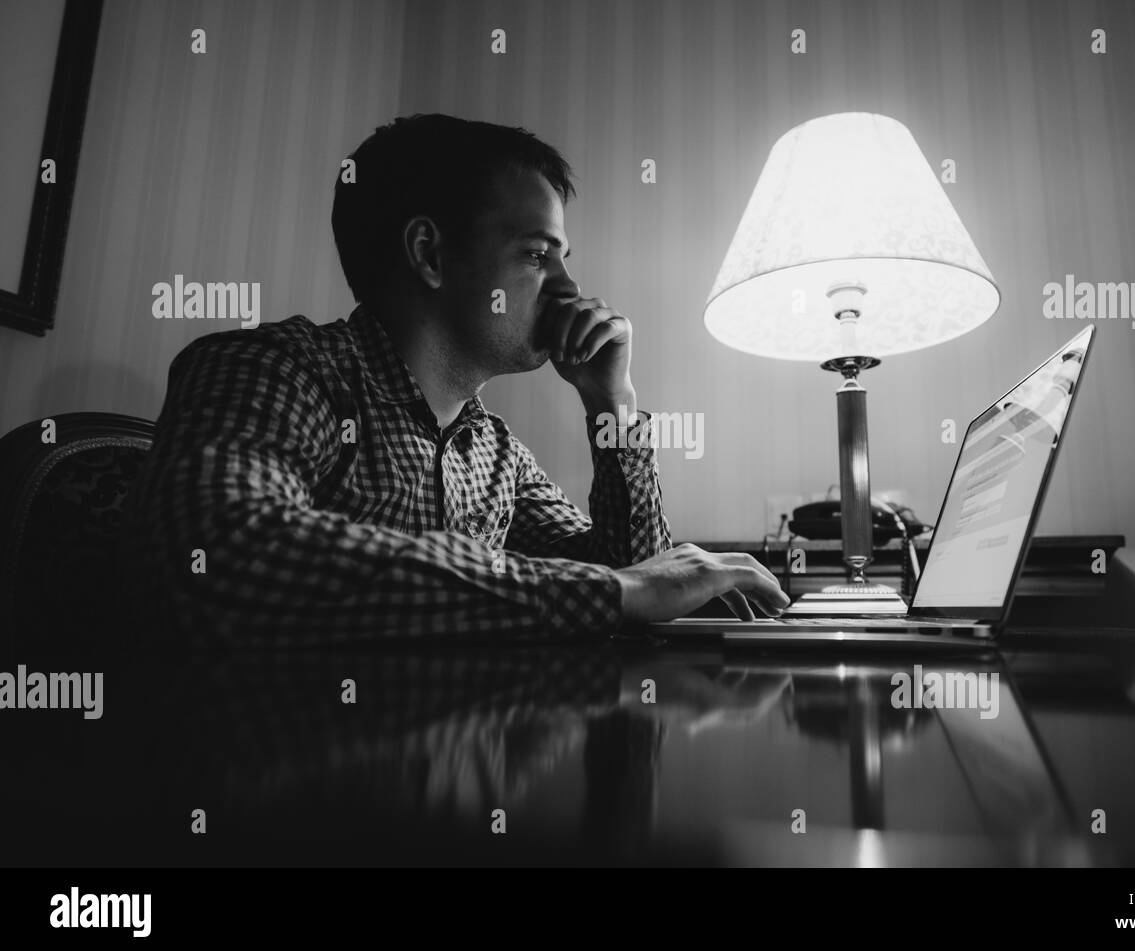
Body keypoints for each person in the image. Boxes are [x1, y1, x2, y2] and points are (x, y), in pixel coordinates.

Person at [116, 113, 788, 647]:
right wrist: (614, 592)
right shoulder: (278, 372)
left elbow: (633, 579)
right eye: (536, 254)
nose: (570, 288)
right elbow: (222, 552)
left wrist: (610, 404)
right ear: (429, 254)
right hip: (296, 805)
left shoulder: (492, 449)